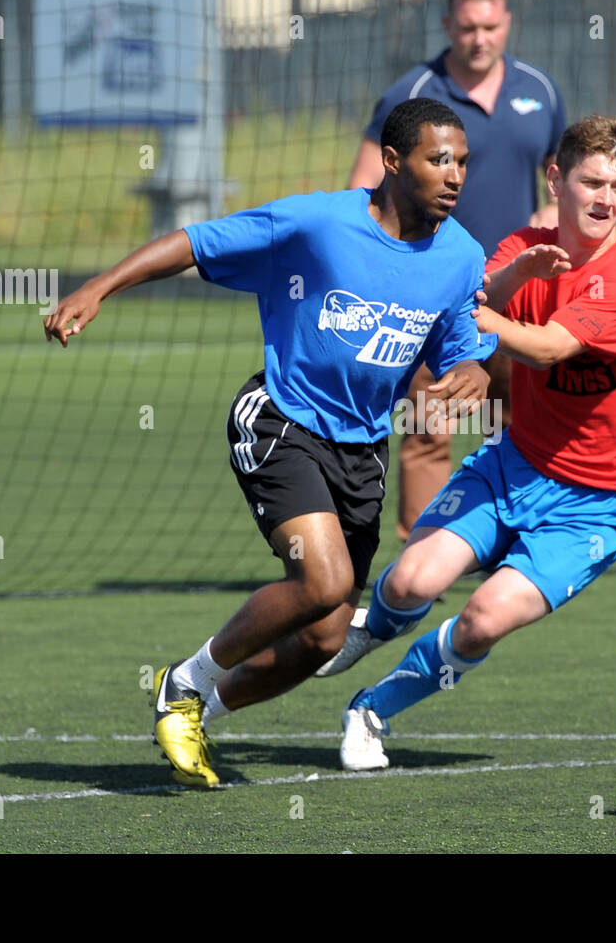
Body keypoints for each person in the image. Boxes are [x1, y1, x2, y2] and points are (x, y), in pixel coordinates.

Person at [43, 98, 495, 787]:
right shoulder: (321, 222)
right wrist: (101, 287)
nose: (455, 173)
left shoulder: (460, 254)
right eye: (439, 159)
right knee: (326, 581)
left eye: (462, 160)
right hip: (281, 421)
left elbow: (463, 345)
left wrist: (471, 371)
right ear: (394, 161)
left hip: (361, 452)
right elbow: (199, 241)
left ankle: (198, 710)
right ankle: (182, 684)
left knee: (321, 637)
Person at [326, 115, 616, 772]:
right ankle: (374, 626)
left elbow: (546, 346)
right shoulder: (527, 244)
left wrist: (468, 313)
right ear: (555, 178)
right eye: (591, 182)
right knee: (407, 581)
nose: (605, 199)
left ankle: (372, 710)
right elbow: (486, 295)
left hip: (598, 503)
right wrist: (503, 290)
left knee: (482, 619)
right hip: (516, 464)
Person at [348, 0, 566, 543]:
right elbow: (362, 188)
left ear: (507, 23)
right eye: (468, 28)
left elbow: (560, 176)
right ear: (448, 24)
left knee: (523, 425)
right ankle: (422, 554)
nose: (479, 39)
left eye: (490, 28)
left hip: (515, 293)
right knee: (428, 425)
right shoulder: (413, 94)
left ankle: (519, 545)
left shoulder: (539, 90)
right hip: (433, 292)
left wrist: (552, 214)